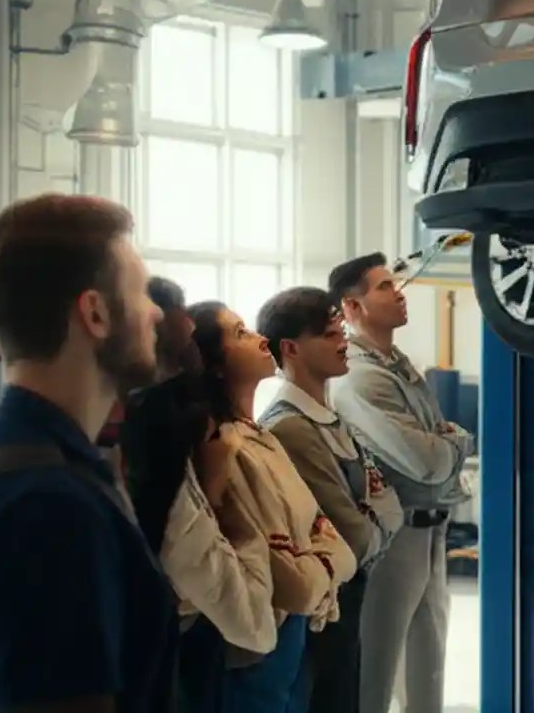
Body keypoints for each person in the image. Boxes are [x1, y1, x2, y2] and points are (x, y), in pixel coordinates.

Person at [0, 193, 177, 712]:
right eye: (141, 291)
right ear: (95, 313)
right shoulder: (44, 503)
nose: (156, 312)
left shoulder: (31, 458)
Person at [186, 300, 357, 713]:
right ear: (215, 364)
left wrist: (313, 557)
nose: (260, 339)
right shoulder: (222, 448)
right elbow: (289, 582)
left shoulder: (264, 439)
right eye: (241, 333)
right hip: (251, 649)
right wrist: (317, 562)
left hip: (292, 637)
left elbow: (334, 540)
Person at [119, 277, 278, 713]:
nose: (187, 323)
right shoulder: (160, 430)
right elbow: (251, 622)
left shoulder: (182, 425)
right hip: (183, 630)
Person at [328, 253, 474, 713]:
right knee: (377, 669)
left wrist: (446, 441)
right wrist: (457, 441)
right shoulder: (359, 375)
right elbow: (425, 459)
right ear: (353, 308)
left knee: (427, 670)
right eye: (384, 287)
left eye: (396, 284)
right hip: (393, 537)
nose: (400, 293)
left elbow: (436, 443)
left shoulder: (396, 364)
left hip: (430, 531)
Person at [256, 286, 405, 712]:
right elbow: (353, 536)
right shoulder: (291, 428)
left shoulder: (330, 418)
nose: (343, 341)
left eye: (341, 329)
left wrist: (371, 518)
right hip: (324, 609)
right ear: (290, 348)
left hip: (349, 597)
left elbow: (389, 507)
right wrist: (371, 519)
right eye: (328, 334)